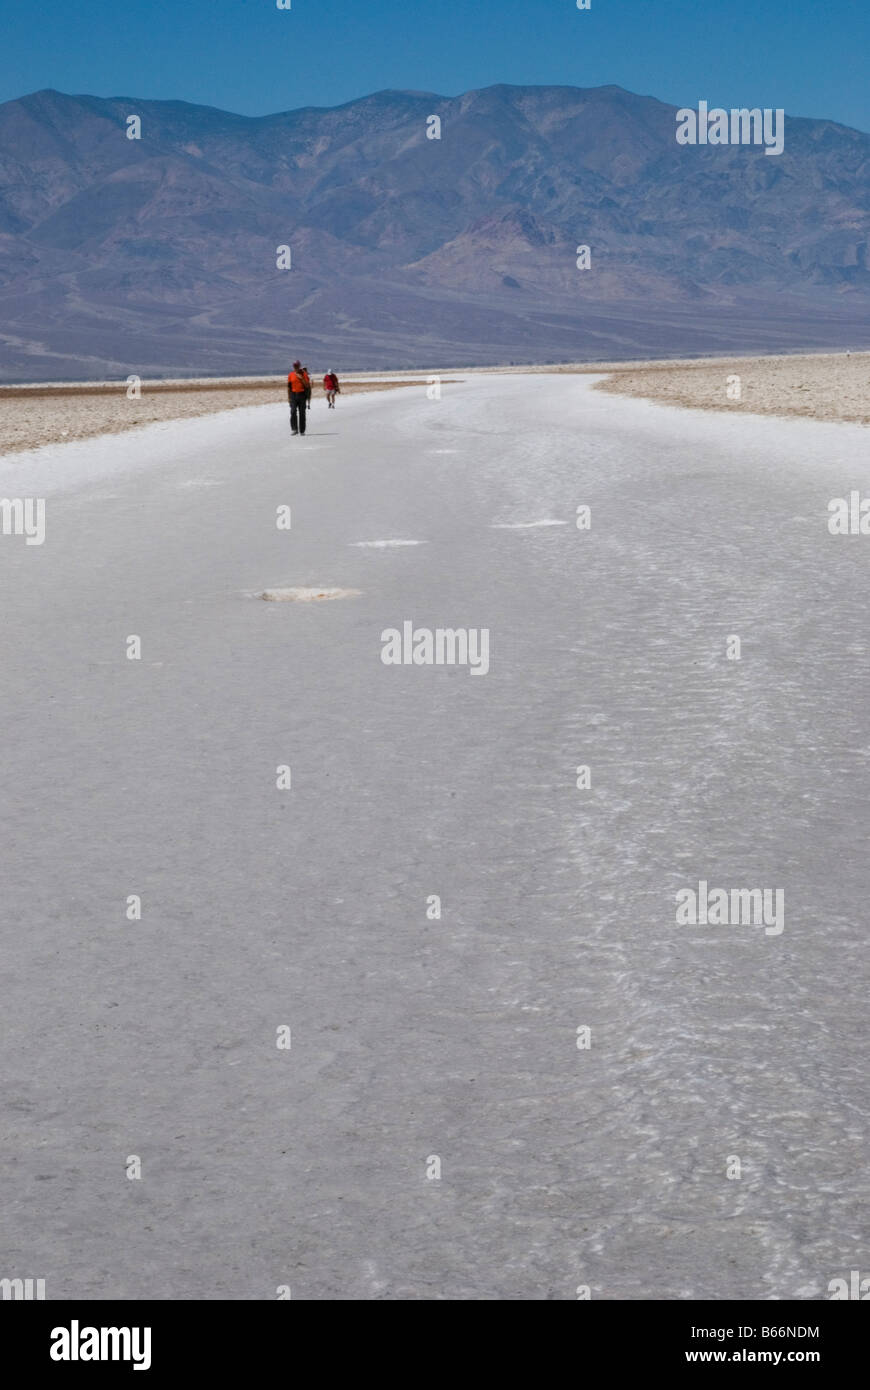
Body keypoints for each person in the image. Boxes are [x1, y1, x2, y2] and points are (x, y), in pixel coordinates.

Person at [287, 361, 311, 435]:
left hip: (302, 395)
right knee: (293, 411)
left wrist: (301, 379)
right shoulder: (291, 375)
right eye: (294, 366)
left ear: (299, 366)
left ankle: (302, 430)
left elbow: (307, 386)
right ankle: (294, 429)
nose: (295, 367)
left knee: (302, 413)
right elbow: (288, 387)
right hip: (293, 395)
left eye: (297, 365)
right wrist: (289, 397)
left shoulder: (304, 374)